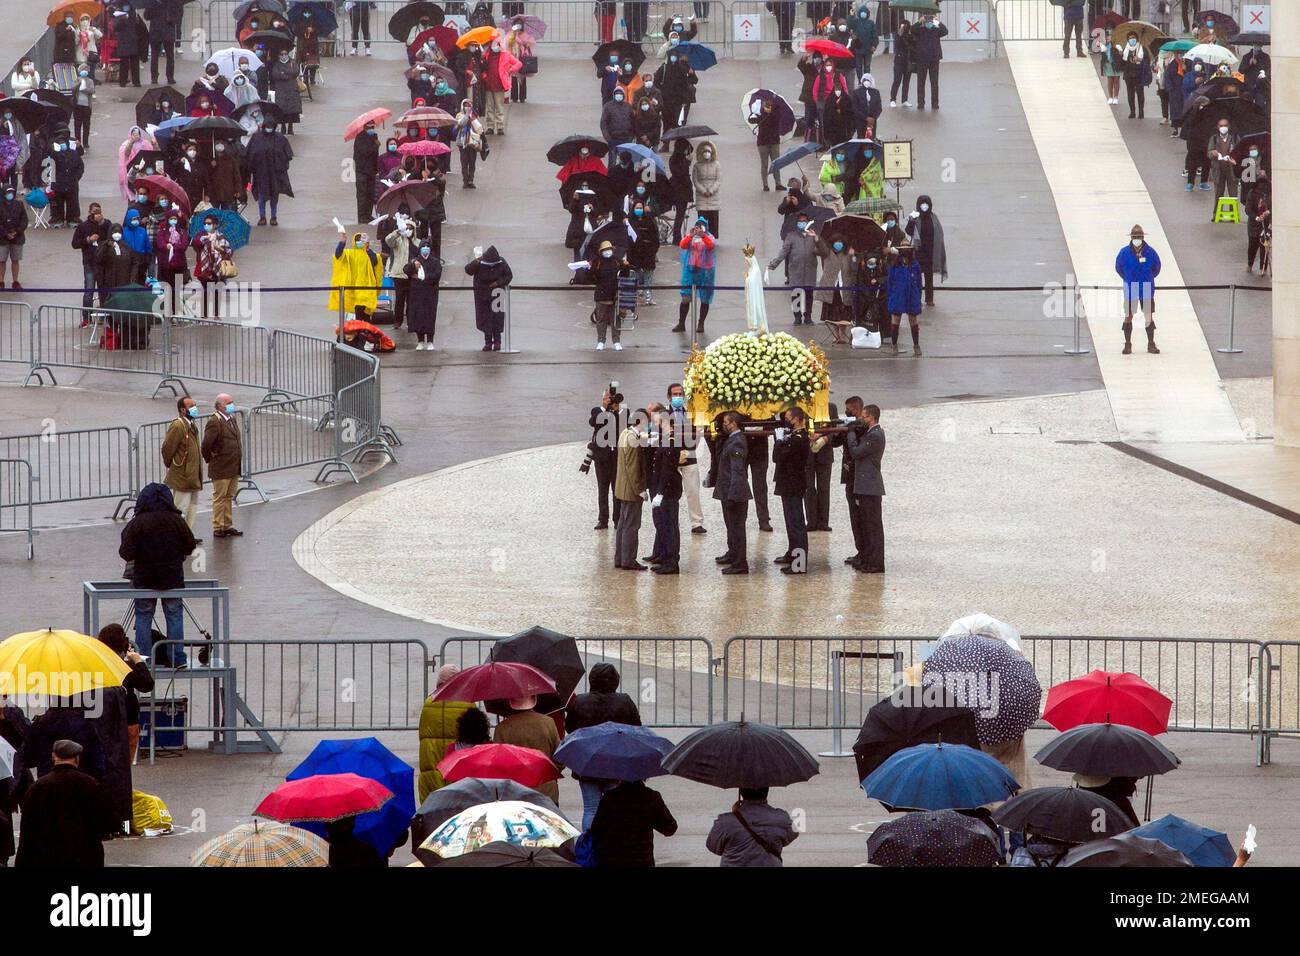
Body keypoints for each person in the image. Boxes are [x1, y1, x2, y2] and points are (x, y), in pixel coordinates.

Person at [119, 481, 196, 666]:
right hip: (172, 578)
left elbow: (125, 552)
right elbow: (190, 545)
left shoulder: (137, 523)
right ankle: (177, 658)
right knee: (174, 616)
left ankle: (143, 659)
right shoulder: (177, 521)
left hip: (145, 579)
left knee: (144, 617)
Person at [565, 663, 642, 828]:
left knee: (591, 809)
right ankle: (611, 846)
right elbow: (636, 728)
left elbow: (569, 727)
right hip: (616, 762)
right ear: (615, 680)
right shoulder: (625, 701)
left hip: (587, 762)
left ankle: (589, 846)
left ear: (592, 679)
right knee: (614, 809)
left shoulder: (580, 701)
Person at [16, 740, 114, 868]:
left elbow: (27, 830)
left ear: (53, 757)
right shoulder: (91, 785)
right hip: (85, 856)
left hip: (47, 856)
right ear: (77, 759)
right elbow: (108, 822)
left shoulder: (38, 787)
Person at [96, 624, 155, 766]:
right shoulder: (127, 666)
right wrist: (138, 661)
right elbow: (147, 685)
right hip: (127, 719)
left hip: (101, 719)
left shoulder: (95, 665)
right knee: (124, 765)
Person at [417, 665, 476, 803]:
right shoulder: (467, 704)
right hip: (458, 772)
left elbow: (423, 736)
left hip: (431, 771)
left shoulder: (428, 704)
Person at [589, 778, 678, 866]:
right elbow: (670, 828)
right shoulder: (651, 797)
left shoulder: (609, 798)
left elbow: (596, 830)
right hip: (642, 860)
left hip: (612, 860)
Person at [705, 787, 800, 866]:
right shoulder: (782, 818)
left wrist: (736, 815)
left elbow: (712, 846)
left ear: (741, 792)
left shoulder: (725, 821)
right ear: (767, 791)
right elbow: (792, 834)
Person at [493, 695, 560, 803]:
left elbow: (498, 764)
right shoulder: (548, 722)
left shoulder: (502, 728)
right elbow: (559, 757)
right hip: (546, 790)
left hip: (515, 791)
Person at [845, 403, 886, 573]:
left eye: (864, 417)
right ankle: (868, 559)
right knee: (866, 525)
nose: (861, 419)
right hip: (864, 485)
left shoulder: (875, 435)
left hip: (870, 486)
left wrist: (851, 434)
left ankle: (876, 563)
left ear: (871, 418)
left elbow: (856, 452)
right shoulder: (870, 433)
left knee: (873, 526)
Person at [772, 408, 811, 573]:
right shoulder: (794, 436)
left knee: (797, 524)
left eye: (788, 417)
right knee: (791, 522)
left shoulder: (799, 438)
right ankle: (792, 553)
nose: (785, 420)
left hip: (793, 483)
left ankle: (799, 564)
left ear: (796, 419)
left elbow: (777, 457)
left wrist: (779, 441)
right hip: (788, 483)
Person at [713, 411, 752, 574]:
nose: (724, 425)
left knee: (737, 529)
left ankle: (740, 563)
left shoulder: (737, 442)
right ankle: (734, 556)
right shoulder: (731, 440)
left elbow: (738, 472)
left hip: (735, 494)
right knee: (732, 527)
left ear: (734, 424)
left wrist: (733, 495)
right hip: (728, 491)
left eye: (726, 422)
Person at [201, 394, 244, 538]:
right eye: (228, 402)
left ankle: (227, 525)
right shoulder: (215, 422)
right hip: (221, 467)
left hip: (233, 466)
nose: (232, 405)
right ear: (220, 405)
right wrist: (211, 459)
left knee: (228, 496)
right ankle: (218, 526)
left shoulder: (231, 419)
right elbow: (206, 445)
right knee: (220, 497)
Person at [1115, 224, 1161, 355]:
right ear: (1131, 237)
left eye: (1139, 236)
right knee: (1128, 316)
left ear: (1143, 237)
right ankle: (1127, 344)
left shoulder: (1150, 252)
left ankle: (1151, 344)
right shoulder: (1124, 252)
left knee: (1148, 316)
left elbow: (1157, 267)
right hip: (1131, 287)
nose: (1137, 239)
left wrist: (1148, 277)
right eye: (1135, 237)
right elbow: (1119, 268)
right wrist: (1128, 278)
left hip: (1146, 287)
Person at [161, 396, 203, 532]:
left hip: (193, 475)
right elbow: (167, 448)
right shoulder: (178, 425)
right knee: (181, 508)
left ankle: (187, 535)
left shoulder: (191, 425)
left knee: (192, 506)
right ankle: (177, 536)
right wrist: (173, 466)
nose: (195, 408)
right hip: (183, 475)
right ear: (182, 410)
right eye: (191, 406)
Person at [648, 412, 684, 573]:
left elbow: (667, 469)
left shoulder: (671, 440)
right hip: (664, 488)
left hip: (669, 489)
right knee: (664, 524)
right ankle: (665, 557)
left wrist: (660, 492)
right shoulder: (666, 439)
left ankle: (672, 562)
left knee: (670, 526)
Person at [614, 410, 649, 570]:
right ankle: (628, 560)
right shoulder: (632, 439)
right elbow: (633, 467)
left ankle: (620, 558)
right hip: (631, 489)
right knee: (631, 525)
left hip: (622, 487)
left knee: (622, 524)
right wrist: (640, 489)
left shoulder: (625, 433)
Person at [464, 244, 512, 351]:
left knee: (497, 318)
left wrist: (498, 282)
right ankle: (488, 342)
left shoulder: (502, 262)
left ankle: (498, 342)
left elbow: (509, 276)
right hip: (482, 295)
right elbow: (468, 270)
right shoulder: (480, 263)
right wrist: (476, 261)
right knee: (485, 319)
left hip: (497, 294)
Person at [246, 121, 293, 226]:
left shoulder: (279, 138)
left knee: (274, 195)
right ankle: (262, 216)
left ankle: (273, 216)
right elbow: (250, 154)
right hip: (261, 173)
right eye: (267, 126)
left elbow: (287, 154)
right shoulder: (256, 138)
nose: (269, 128)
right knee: (261, 196)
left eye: (271, 126)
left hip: (275, 173)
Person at [330, 228, 382, 323]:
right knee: (359, 318)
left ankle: (364, 334)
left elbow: (374, 261)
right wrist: (342, 242)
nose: (359, 242)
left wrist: (367, 248)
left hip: (367, 291)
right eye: (357, 240)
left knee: (365, 317)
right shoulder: (349, 254)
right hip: (354, 291)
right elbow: (338, 255)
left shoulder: (370, 254)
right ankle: (361, 335)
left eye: (361, 240)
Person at [673, 219, 716, 334]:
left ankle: (701, 323)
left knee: (705, 298)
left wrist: (703, 236)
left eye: (701, 228)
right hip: (691, 270)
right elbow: (682, 245)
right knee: (685, 298)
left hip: (705, 271)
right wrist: (690, 236)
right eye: (697, 227)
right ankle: (681, 323)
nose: (698, 230)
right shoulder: (691, 237)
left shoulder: (709, 237)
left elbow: (711, 246)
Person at [904, 194, 946, 307]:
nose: (924, 206)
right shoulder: (915, 217)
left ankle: (929, 299)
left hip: (930, 251)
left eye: (926, 203)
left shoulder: (934, 217)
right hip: (918, 251)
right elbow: (908, 231)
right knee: (917, 277)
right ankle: (916, 299)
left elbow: (939, 233)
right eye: (922, 204)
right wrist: (911, 221)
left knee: (929, 277)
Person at [804, 401, 837, 533]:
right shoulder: (804, 405)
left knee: (824, 488)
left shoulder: (831, 407)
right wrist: (809, 436)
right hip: (808, 453)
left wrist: (825, 438)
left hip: (825, 452)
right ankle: (811, 521)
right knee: (809, 488)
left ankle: (823, 521)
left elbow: (834, 429)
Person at [404, 238, 442, 350]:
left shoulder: (435, 261)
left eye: (428, 247)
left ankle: (430, 340)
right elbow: (406, 270)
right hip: (417, 294)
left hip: (430, 294)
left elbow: (437, 276)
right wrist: (413, 266)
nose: (425, 249)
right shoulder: (415, 260)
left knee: (430, 316)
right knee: (418, 316)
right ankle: (420, 340)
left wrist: (423, 278)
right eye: (423, 247)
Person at [886, 243, 923, 355]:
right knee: (895, 320)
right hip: (898, 295)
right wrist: (891, 297)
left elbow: (920, 283)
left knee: (913, 320)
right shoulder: (895, 266)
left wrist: (918, 296)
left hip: (912, 295)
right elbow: (890, 283)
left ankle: (916, 345)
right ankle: (894, 345)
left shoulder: (915, 266)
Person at [72, 203, 111, 309]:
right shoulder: (83, 226)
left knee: (104, 290)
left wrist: (102, 223)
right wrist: (88, 240)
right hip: (89, 262)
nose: (97, 214)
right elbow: (75, 244)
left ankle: (105, 314)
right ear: (89, 212)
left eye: (99, 212)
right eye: (95, 212)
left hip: (103, 262)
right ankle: (86, 316)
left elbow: (112, 237)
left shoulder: (106, 224)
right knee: (89, 290)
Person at [591, 239, 625, 352]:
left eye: (609, 249)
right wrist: (588, 270)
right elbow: (591, 277)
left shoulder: (616, 261)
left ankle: (616, 341)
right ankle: (601, 341)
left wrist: (626, 266)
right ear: (601, 252)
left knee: (616, 319)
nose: (607, 252)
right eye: (605, 250)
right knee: (601, 319)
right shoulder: (597, 262)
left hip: (615, 295)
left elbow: (625, 273)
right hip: (601, 295)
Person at [911, 12, 947, 110]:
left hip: (934, 59)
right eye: (927, 19)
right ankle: (920, 103)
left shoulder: (936, 29)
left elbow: (945, 31)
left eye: (930, 19)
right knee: (921, 82)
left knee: (934, 83)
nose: (928, 21)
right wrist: (919, 22)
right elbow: (912, 30)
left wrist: (937, 21)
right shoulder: (920, 29)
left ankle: (935, 103)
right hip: (922, 59)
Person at [1206, 117, 1239, 221]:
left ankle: (1233, 215)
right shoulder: (1214, 138)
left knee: (1233, 194)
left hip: (1231, 170)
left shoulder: (1234, 138)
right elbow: (1208, 153)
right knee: (1218, 194)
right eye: (1221, 126)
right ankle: (1216, 214)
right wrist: (1213, 153)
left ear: (1228, 127)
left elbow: (1240, 152)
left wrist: (1234, 153)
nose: (1223, 128)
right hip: (1218, 169)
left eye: (1225, 125)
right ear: (1218, 127)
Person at [49, 138, 85, 229]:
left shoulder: (73, 153)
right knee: (57, 202)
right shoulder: (54, 155)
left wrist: (76, 177)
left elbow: (80, 166)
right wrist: (53, 183)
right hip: (58, 184)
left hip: (71, 183)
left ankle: (72, 218)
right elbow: (50, 169)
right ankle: (58, 218)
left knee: (72, 202)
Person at [453, 99, 487, 189]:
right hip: (462, 142)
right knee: (464, 162)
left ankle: (471, 180)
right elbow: (460, 124)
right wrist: (467, 116)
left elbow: (480, 128)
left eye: (469, 105)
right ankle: (465, 180)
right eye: (465, 105)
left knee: (472, 162)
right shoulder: (459, 115)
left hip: (473, 142)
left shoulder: (475, 115)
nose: (467, 107)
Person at [111, 3, 147, 88]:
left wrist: (138, 21)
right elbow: (115, 26)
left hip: (134, 41)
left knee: (135, 64)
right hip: (124, 42)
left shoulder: (134, 14)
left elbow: (142, 29)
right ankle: (122, 81)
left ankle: (136, 81)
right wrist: (123, 19)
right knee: (124, 64)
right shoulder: (119, 14)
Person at [144, 0, 180, 85]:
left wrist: (170, 18)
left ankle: (155, 77)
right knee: (168, 56)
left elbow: (146, 16)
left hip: (158, 32)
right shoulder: (172, 3)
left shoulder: (152, 3)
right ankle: (168, 77)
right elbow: (178, 16)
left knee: (156, 56)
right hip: (164, 33)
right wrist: (171, 19)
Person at [0, 184, 28, 289]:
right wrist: (6, 233)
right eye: (7, 192)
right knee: (1, 261)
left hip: (17, 237)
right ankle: (1, 281)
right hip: (2, 238)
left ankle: (15, 281)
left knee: (15, 260)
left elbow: (24, 220)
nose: (10, 194)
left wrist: (17, 232)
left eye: (11, 192)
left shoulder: (19, 204)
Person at [269, 51, 303, 135]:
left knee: (292, 109)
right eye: (282, 54)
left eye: (285, 54)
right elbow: (275, 74)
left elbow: (296, 72)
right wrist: (287, 75)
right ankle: (283, 127)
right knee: (282, 109)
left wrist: (284, 72)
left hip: (292, 89)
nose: (284, 56)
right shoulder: (276, 64)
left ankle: (290, 128)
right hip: (281, 90)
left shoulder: (293, 62)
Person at [691, 141, 721, 236]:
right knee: (702, 221)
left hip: (713, 197)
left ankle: (712, 239)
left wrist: (711, 190)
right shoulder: (697, 166)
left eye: (708, 151)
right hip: (701, 197)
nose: (706, 153)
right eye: (704, 151)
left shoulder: (717, 165)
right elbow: (695, 180)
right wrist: (703, 191)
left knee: (713, 220)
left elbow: (718, 180)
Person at [667, 139, 693, 244]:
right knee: (680, 214)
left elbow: (691, 149)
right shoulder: (677, 160)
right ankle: (676, 236)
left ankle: (677, 235)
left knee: (680, 214)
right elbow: (680, 172)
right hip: (680, 189)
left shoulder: (675, 158)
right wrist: (687, 162)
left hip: (677, 188)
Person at [353, 122, 379, 222]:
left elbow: (375, 155)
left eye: (372, 127)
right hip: (362, 171)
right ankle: (362, 216)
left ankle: (368, 214)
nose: (371, 129)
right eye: (369, 127)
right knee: (362, 195)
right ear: (364, 127)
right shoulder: (360, 138)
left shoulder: (374, 137)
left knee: (370, 194)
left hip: (371, 170)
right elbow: (365, 152)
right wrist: (375, 146)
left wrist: (376, 169)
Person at [1120, 32, 1150, 120]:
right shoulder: (1126, 49)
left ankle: (1141, 111)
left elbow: (1147, 61)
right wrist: (1121, 55)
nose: (1132, 39)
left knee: (1140, 93)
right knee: (1130, 94)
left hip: (1139, 74)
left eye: (1133, 38)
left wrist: (1139, 59)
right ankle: (1132, 111)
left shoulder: (1142, 48)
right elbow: (1122, 64)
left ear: (1136, 39)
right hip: (1128, 75)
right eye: (1130, 38)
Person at [72, 65, 95, 151]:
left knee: (86, 124)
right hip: (77, 106)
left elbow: (92, 90)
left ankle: (86, 142)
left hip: (87, 106)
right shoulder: (77, 80)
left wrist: (84, 89)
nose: (84, 71)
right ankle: (78, 141)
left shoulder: (90, 81)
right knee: (77, 124)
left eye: (85, 69)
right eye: (82, 69)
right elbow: (73, 89)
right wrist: (79, 84)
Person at [1101, 38, 1123, 105]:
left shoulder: (1118, 44)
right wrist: (1102, 48)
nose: (1109, 39)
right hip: (1108, 64)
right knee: (1110, 80)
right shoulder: (1105, 45)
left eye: (1111, 38)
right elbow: (1103, 55)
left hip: (1117, 64)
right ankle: (1110, 97)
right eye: (1108, 38)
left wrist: (1120, 50)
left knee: (1116, 80)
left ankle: (1116, 97)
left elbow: (1122, 54)